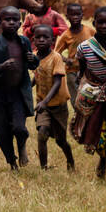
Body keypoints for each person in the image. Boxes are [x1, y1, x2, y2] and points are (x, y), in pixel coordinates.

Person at [0, 6, 37, 171]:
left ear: (20, 23)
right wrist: (0, 67)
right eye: (7, 20)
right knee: (2, 131)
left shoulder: (24, 41)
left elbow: (32, 64)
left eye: (15, 20)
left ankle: (21, 146)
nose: (11, 23)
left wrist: (33, 59)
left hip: (18, 93)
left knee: (20, 128)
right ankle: (12, 161)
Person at [70, 5, 106, 180]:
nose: (105, 26)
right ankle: (102, 162)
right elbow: (82, 73)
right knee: (98, 132)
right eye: (101, 22)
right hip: (95, 98)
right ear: (94, 23)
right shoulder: (85, 48)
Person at [31, 23, 74, 172]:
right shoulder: (34, 57)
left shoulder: (56, 58)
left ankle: (70, 162)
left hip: (58, 106)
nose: (42, 40)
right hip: (43, 106)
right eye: (38, 37)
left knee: (61, 141)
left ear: (52, 40)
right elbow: (37, 76)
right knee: (42, 134)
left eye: (45, 37)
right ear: (34, 40)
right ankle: (44, 168)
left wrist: (45, 101)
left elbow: (57, 83)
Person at [55, 2, 94, 103]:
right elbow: (56, 53)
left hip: (88, 70)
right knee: (75, 98)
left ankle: (87, 117)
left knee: (88, 96)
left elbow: (98, 44)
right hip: (72, 71)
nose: (75, 17)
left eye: (78, 14)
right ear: (67, 16)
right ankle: (77, 117)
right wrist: (67, 60)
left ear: (82, 15)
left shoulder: (89, 31)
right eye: (72, 14)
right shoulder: (66, 35)